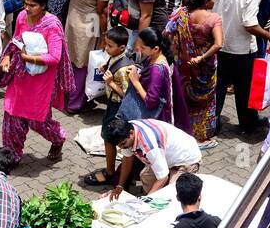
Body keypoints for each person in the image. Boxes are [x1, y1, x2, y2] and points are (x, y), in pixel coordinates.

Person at [0, 0, 70, 164]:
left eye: (32, 5)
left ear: (43, 5)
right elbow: (16, 40)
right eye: (25, 4)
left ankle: (58, 138)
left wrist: (29, 58)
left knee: (37, 120)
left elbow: (54, 57)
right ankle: (11, 156)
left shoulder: (52, 25)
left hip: (41, 83)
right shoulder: (22, 16)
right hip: (20, 76)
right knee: (12, 115)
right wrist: (7, 57)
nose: (27, 8)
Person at [214, 0, 270, 131]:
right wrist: (269, 35)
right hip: (242, 50)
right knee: (244, 88)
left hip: (219, 44)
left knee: (219, 86)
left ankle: (213, 122)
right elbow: (249, 24)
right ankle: (248, 123)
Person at [168, 0, 223, 145]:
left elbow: (167, 32)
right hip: (204, 68)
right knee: (204, 103)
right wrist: (201, 58)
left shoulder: (181, 13)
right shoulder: (214, 19)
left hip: (183, 66)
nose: (214, 1)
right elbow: (218, 44)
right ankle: (200, 136)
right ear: (206, 1)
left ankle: (182, 129)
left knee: (183, 98)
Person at [64, 0, 114, 112]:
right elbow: (101, 11)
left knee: (72, 59)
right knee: (84, 63)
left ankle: (69, 96)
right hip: (90, 23)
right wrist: (104, 35)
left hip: (72, 19)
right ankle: (75, 103)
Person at [83, 27, 134, 187]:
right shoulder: (114, 58)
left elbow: (127, 94)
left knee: (109, 137)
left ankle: (111, 172)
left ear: (122, 48)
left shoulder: (124, 68)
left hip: (117, 107)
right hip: (112, 104)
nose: (106, 48)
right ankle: (111, 169)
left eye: (110, 46)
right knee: (107, 137)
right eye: (106, 44)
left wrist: (110, 82)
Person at [104, 117, 202, 199]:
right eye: (119, 146)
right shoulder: (127, 130)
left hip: (186, 159)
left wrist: (147, 200)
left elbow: (163, 177)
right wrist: (120, 185)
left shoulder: (149, 146)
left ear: (131, 133)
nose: (122, 147)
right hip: (166, 156)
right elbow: (127, 158)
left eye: (123, 144)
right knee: (146, 177)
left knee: (174, 193)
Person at [125, 28, 186, 128]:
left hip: (156, 120)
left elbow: (151, 102)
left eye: (143, 47)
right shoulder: (152, 57)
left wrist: (136, 82)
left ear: (156, 49)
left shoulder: (156, 70)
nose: (139, 49)